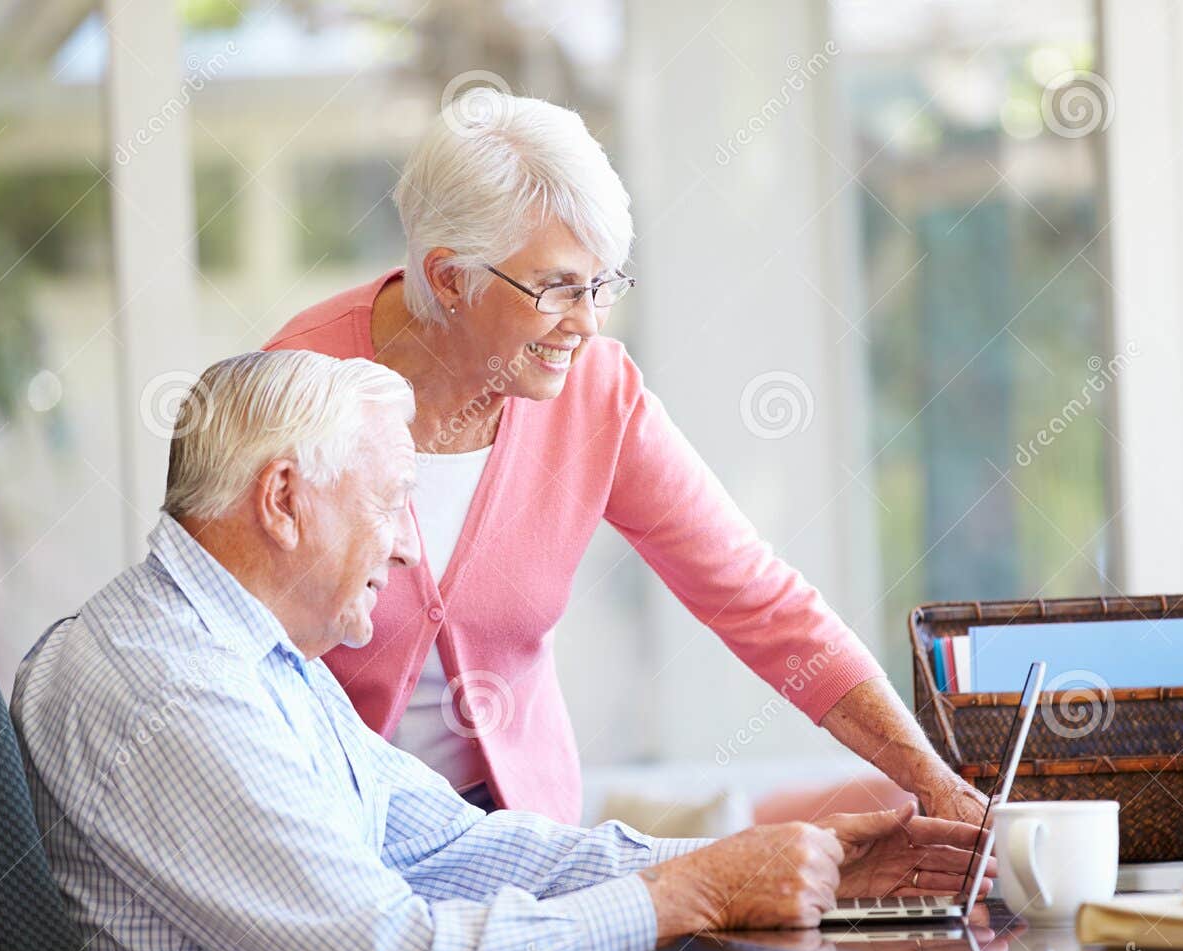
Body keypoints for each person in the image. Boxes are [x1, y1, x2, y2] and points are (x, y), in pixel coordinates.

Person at [10, 349, 993, 951]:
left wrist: (783, 866)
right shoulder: (172, 689)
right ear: (282, 499)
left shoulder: (256, 659)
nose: (406, 547)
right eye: (391, 502)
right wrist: (689, 893)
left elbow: (454, 849)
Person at [264, 92, 984, 827]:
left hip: (519, 837)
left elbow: (756, 598)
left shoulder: (597, 395)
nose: (587, 322)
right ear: (449, 277)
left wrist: (930, 777)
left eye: (603, 284)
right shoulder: (292, 386)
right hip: (327, 829)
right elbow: (217, 640)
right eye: (558, 288)